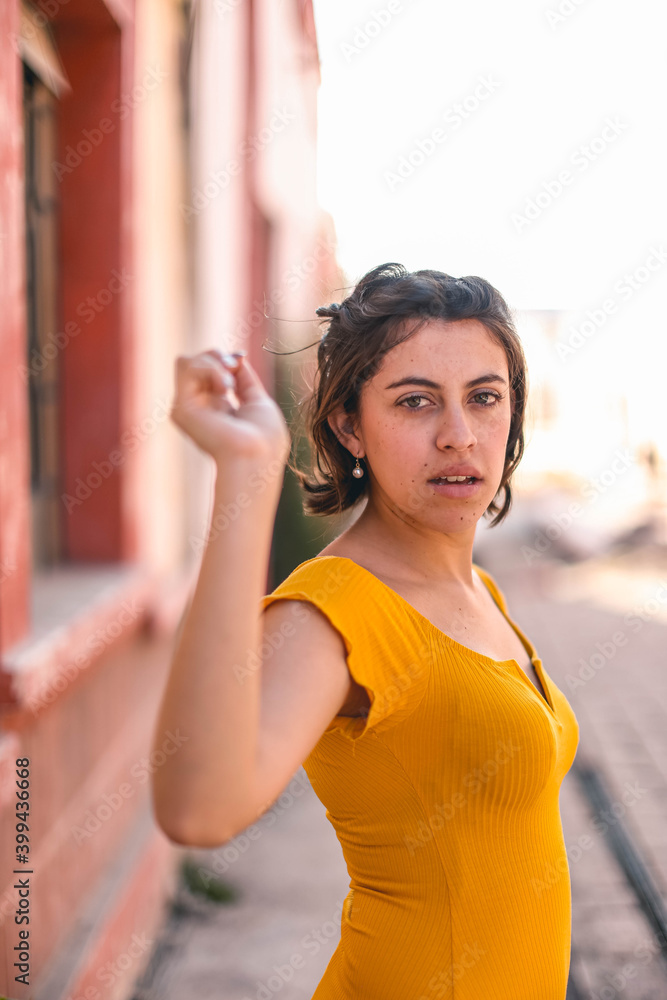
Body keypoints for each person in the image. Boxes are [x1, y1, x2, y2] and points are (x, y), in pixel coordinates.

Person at [152, 262, 580, 999]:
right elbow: (198, 808)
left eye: (484, 397)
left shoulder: (479, 589)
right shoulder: (333, 609)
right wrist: (246, 475)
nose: (458, 436)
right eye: (415, 403)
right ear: (349, 425)